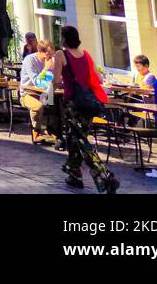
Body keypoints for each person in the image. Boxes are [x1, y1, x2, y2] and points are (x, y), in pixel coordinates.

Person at [49, 25, 119, 193]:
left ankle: (105, 176)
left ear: (63, 38)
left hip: (73, 102)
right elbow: (98, 77)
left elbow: (56, 79)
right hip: (88, 103)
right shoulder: (85, 54)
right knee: (74, 138)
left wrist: (56, 83)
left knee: (81, 141)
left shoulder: (61, 54)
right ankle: (75, 176)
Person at [20, 39, 56, 145]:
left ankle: (52, 131)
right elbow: (37, 82)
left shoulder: (52, 61)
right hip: (28, 92)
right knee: (38, 106)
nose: (49, 58)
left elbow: (52, 80)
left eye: (51, 55)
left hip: (45, 93)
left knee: (58, 105)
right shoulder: (30, 60)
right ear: (40, 51)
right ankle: (36, 131)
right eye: (47, 55)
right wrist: (46, 69)